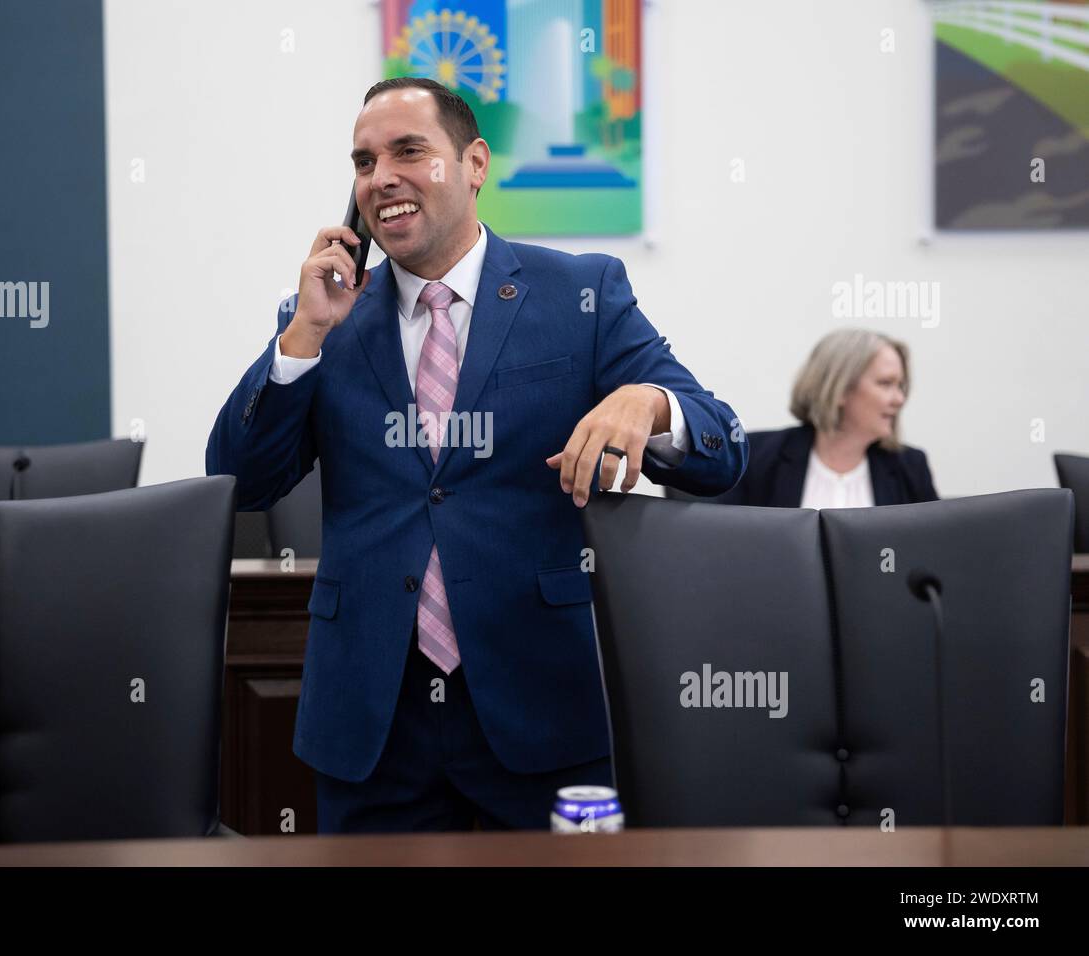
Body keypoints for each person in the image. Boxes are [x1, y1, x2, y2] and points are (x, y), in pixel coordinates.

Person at [205, 77, 746, 832]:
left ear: (475, 164)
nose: (380, 178)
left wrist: (653, 404)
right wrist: (301, 341)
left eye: (408, 151)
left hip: (541, 711)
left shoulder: (580, 294)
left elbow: (724, 449)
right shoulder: (328, 317)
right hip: (371, 721)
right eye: (363, 163)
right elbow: (239, 483)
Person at [712, 329, 937, 508]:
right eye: (885, 384)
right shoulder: (757, 458)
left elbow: (931, 556)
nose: (900, 398)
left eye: (900, 386)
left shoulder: (910, 467)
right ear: (839, 389)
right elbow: (729, 548)